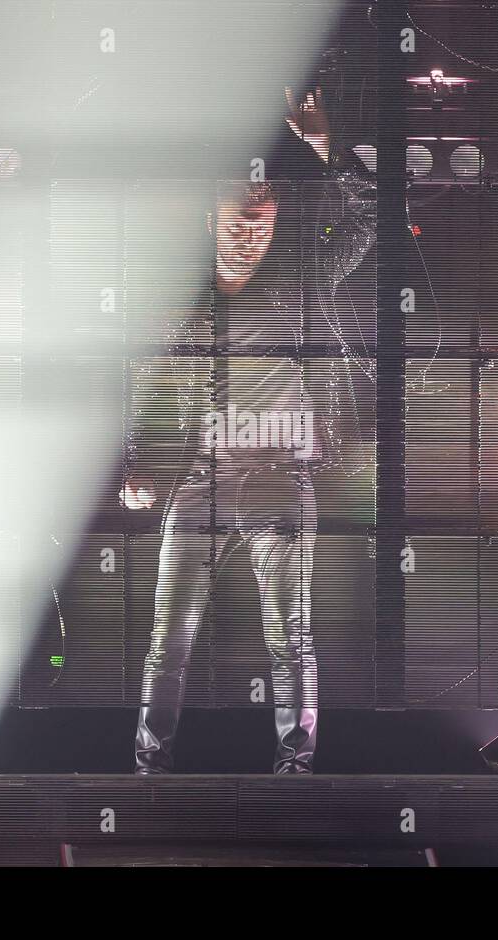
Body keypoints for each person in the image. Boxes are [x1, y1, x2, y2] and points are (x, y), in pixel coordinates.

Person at [123, 85, 375, 774]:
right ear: (212, 220)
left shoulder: (301, 281)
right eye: (240, 217)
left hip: (280, 481)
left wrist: (326, 145)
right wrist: (137, 466)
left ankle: (296, 767)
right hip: (205, 482)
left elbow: (370, 215)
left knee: (290, 636)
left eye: (263, 218)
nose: (252, 231)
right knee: (168, 637)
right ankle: (150, 764)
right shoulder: (187, 303)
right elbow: (143, 385)